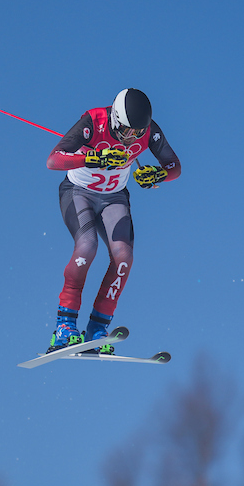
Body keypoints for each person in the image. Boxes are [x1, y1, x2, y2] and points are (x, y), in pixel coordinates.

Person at [44, 88, 181, 353]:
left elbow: (174, 165)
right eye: (129, 132)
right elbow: (53, 159)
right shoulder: (94, 122)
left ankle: (98, 326)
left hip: (113, 197)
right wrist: (92, 157)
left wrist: (157, 175)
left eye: (139, 133)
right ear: (116, 120)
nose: (134, 139)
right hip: (79, 192)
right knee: (87, 247)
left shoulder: (148, 130)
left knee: (123, 258)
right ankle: (64, 325)